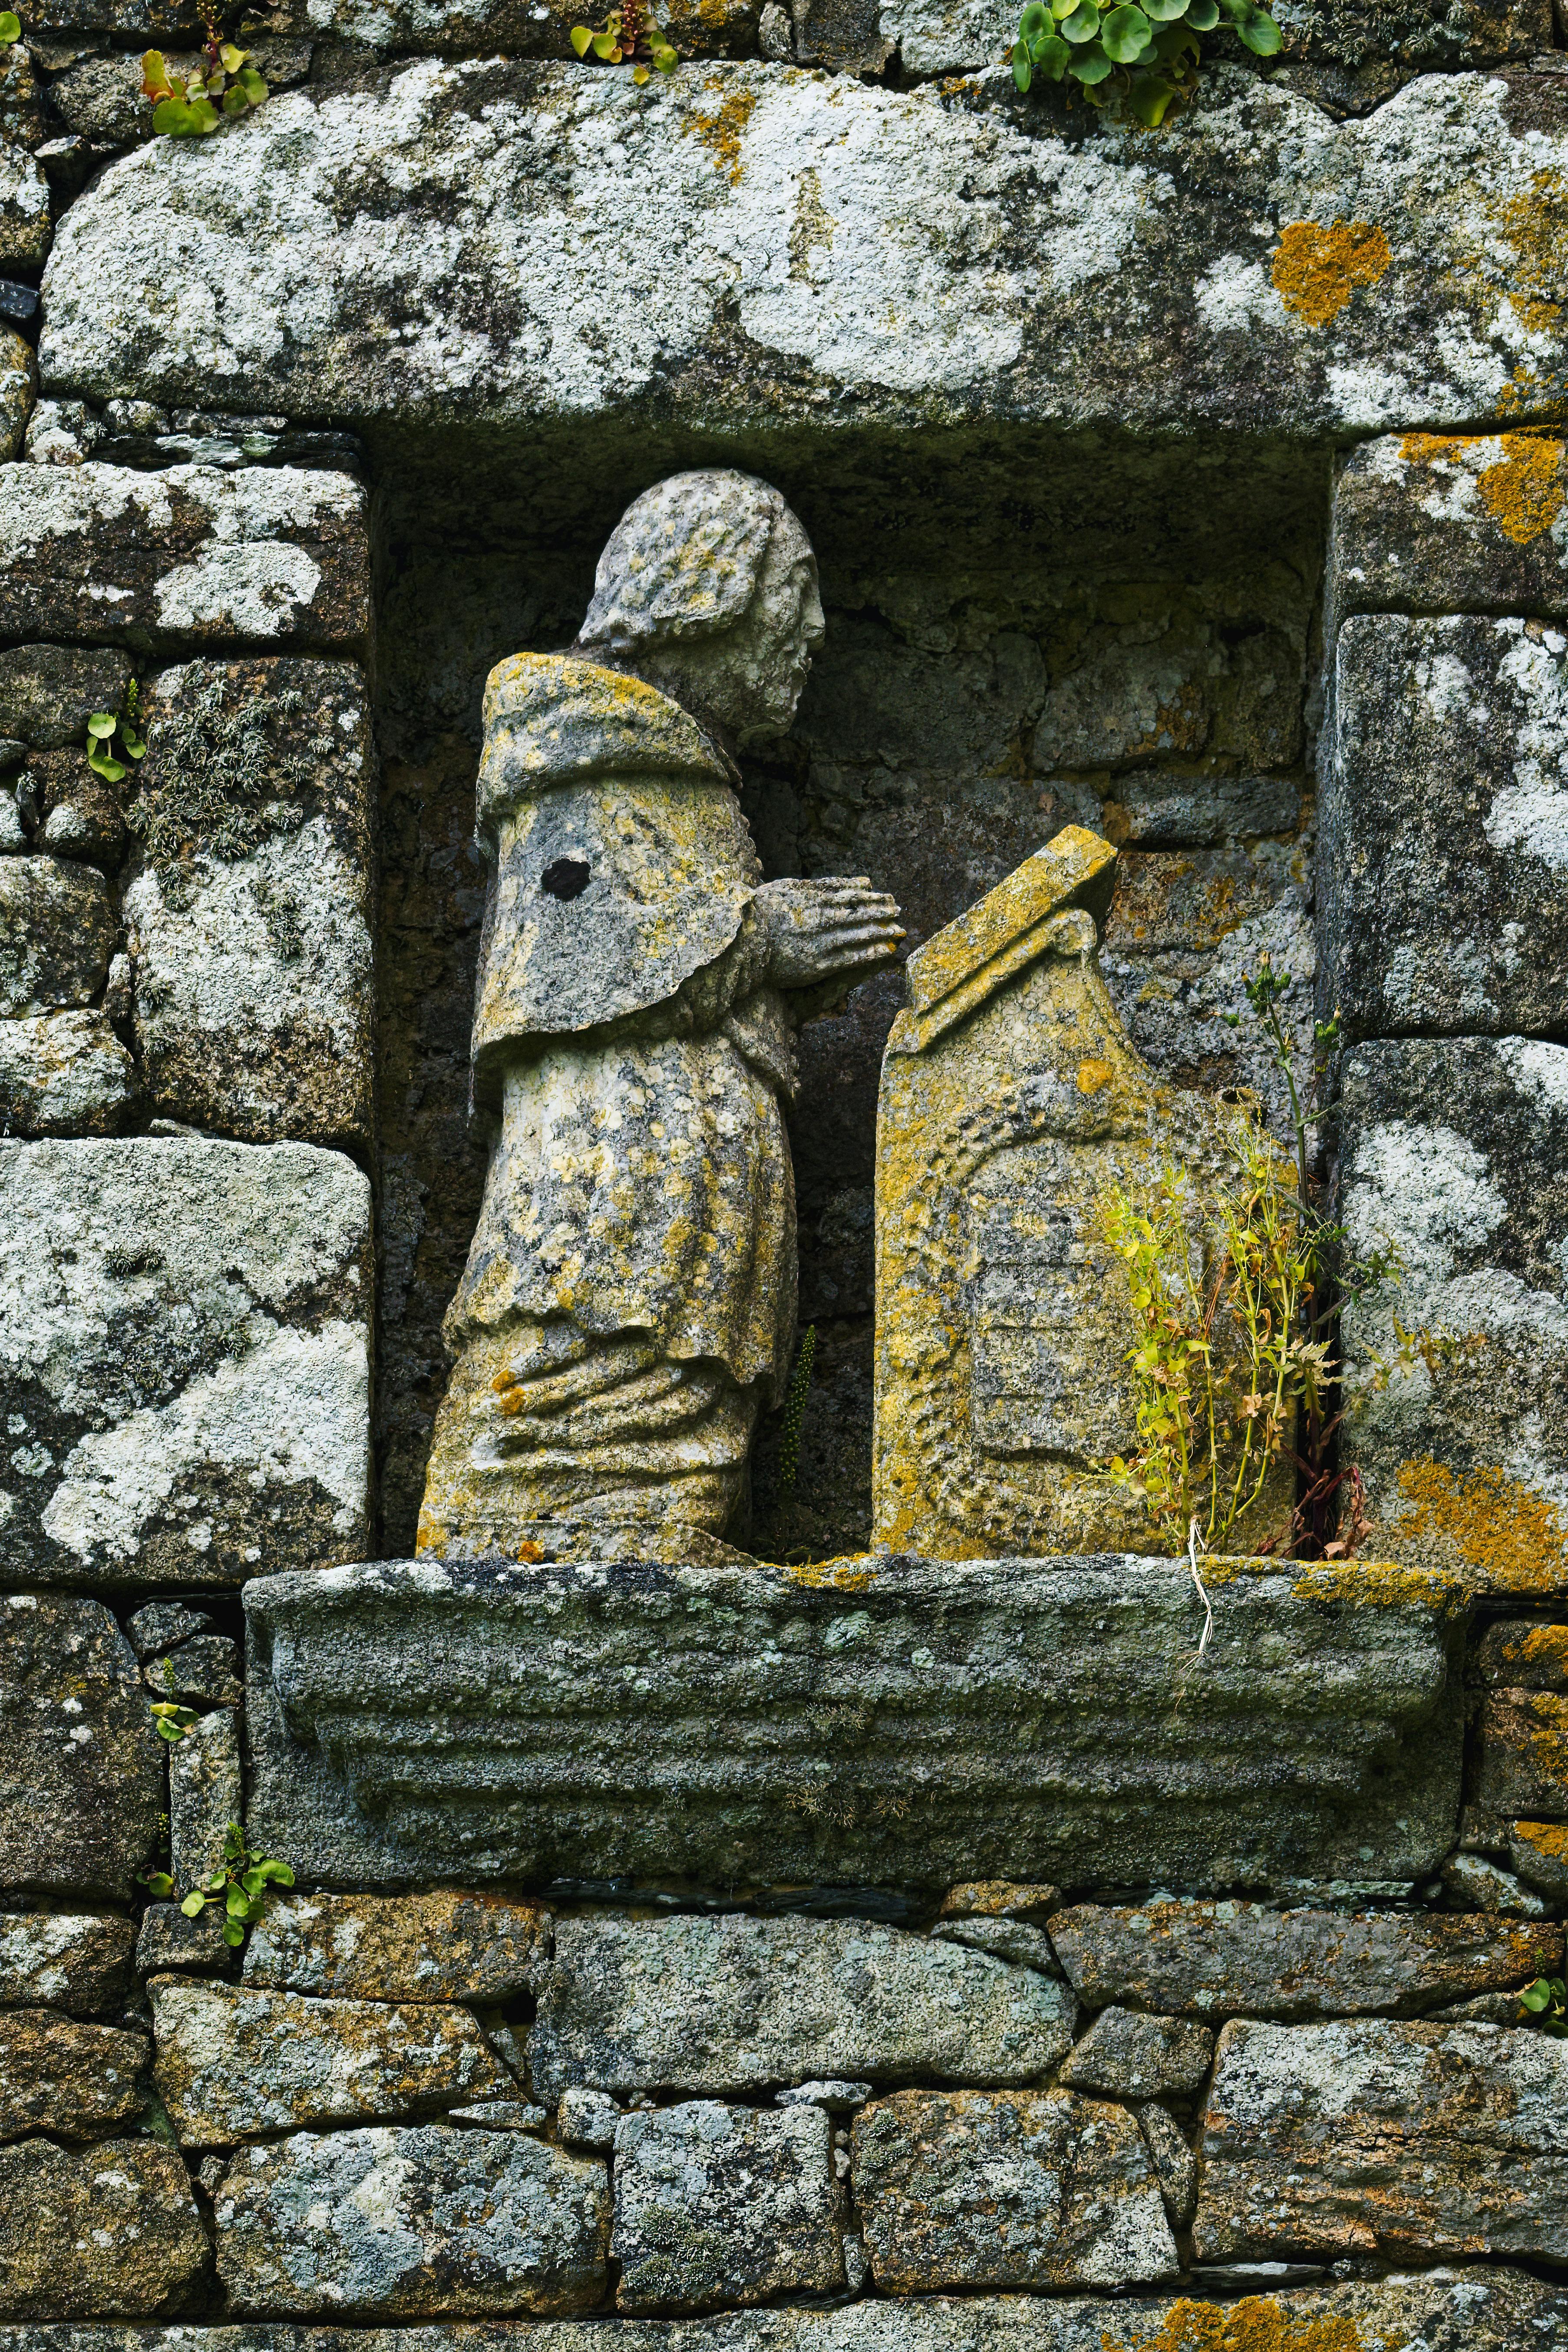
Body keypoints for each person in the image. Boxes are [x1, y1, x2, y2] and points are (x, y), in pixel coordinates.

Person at [416, 470, 903, 1564]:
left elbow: (651, 938)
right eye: (798, 589)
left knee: (676, 1381)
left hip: (687, 1152)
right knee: (585, 1343)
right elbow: (562, 971)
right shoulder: (582, 745)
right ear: (711, 592)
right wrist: (757, 939)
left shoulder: (668, 762)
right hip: (618, 1147)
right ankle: (533, 1513)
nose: (816, 628)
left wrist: (766, 963)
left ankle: (657, 1519)